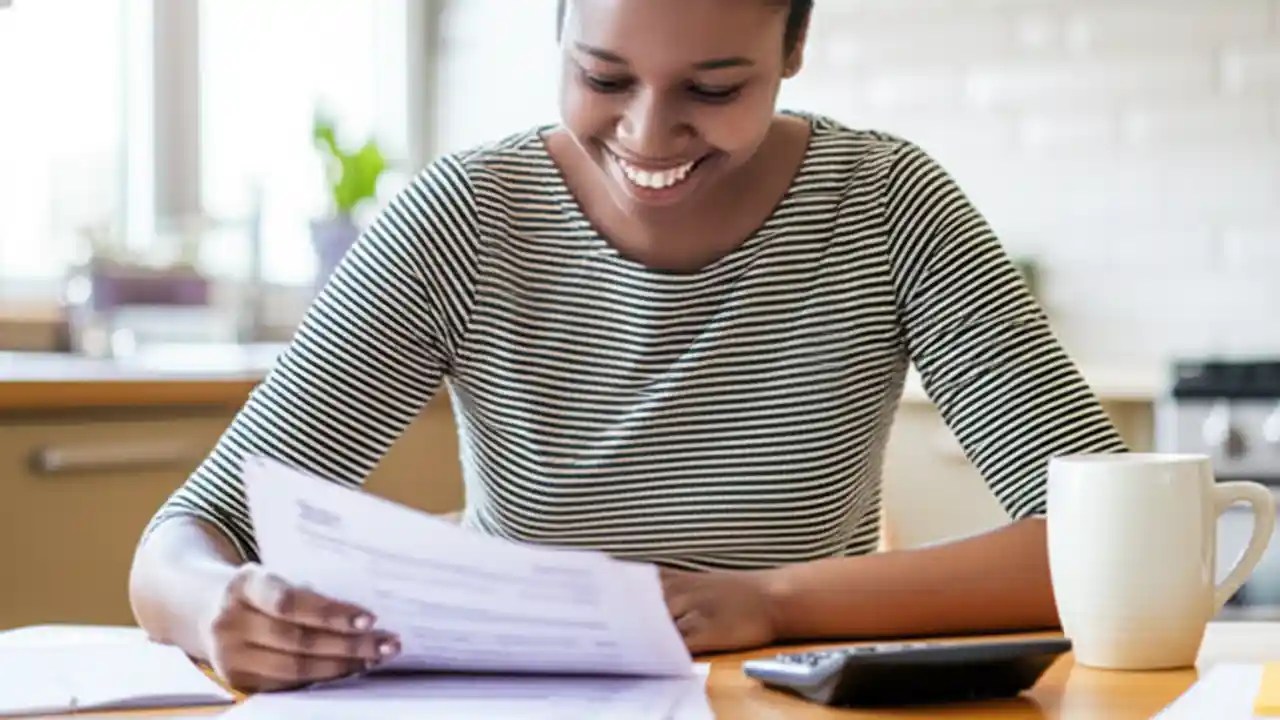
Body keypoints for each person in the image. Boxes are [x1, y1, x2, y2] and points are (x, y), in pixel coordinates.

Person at [129, 0, 1127, 693]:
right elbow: (185, 540)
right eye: (602, 76)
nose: (649, 135)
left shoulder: (883, 206)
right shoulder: (465, 219)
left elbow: (1115, 541)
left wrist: (770, 604)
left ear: (793, 47)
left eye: (714, 85)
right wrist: (217, 603)